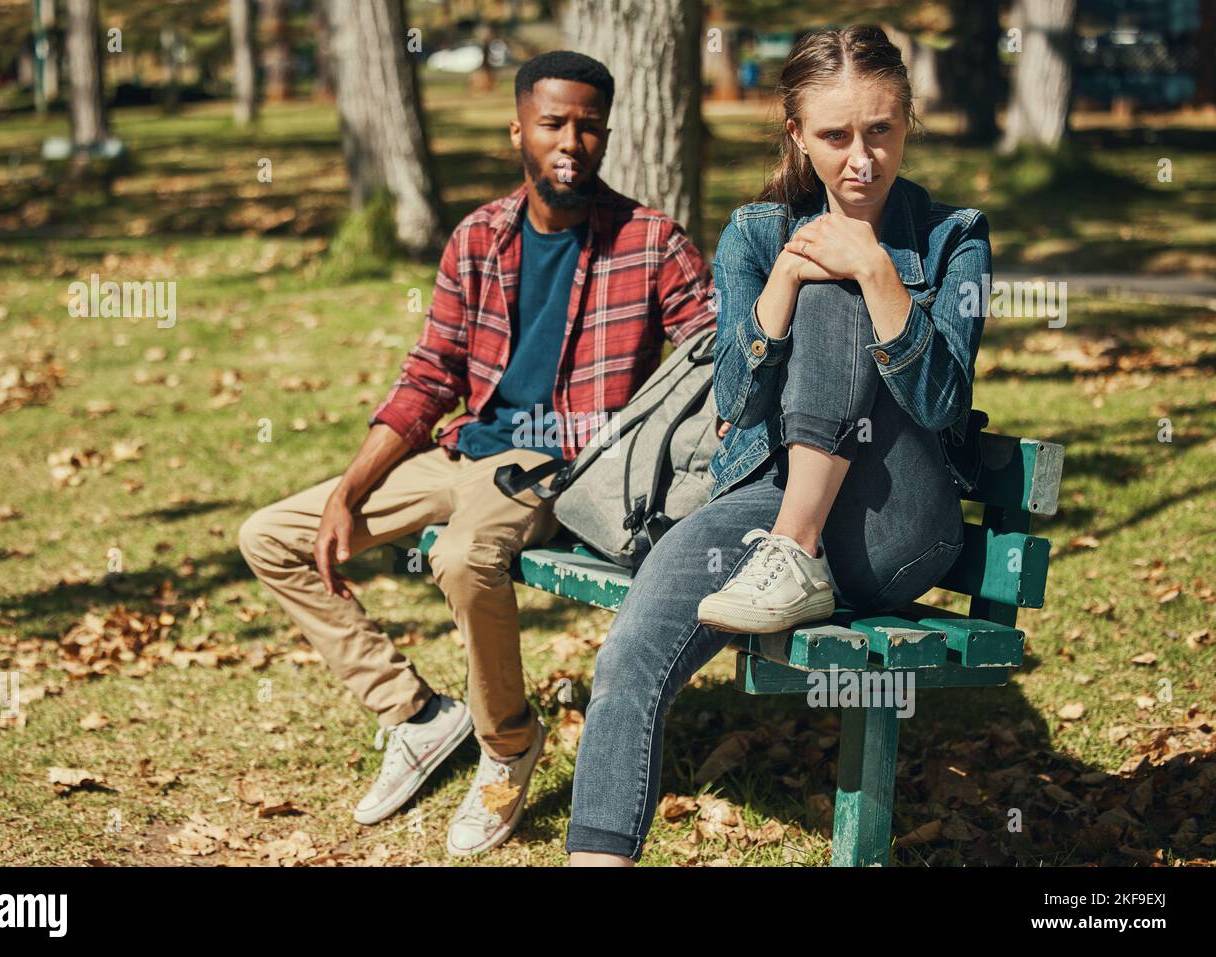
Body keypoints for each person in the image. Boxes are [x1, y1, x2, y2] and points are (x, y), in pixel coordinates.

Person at [238, 50, 716, 857]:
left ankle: (507, 743)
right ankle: (418, 715)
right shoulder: (479, 237)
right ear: (519, 129)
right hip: (467, 448)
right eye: (553, 123)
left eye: (589, 126)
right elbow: (431, 376)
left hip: (555, 466)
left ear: (606, 133)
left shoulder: (650, 241)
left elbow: (713, 353)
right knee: (271, 536)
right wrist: (352, 487)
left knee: (463, 558)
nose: (572, 142)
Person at [565, 25, 993, 865]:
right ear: (797, 133)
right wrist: (785, 282)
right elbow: (736, 399)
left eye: (883, 131)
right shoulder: (758, 235)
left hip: (894, 525)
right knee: (630, 652)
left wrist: (873, 273)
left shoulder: (954, 238)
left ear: (909, 121)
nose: (862, 158)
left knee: (842, 276)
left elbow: (943, 401)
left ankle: (795, 552)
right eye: (836, 136)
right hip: (764, 501)